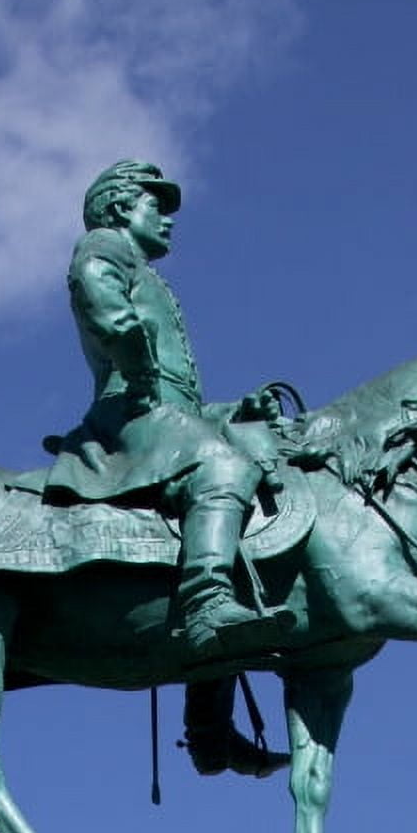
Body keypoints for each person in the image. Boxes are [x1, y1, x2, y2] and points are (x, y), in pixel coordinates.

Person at [47, 160, 290, 675]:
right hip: (129, 412)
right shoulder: (104, 247)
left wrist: (238, 411)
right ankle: (206, 605)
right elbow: (108, 313)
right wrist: (137, 370)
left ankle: (209, 722)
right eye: (155, 205)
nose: (168, 219)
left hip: (162, 411)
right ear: (120, 207)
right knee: (225, 468)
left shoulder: (148, 273)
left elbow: (185, 404)